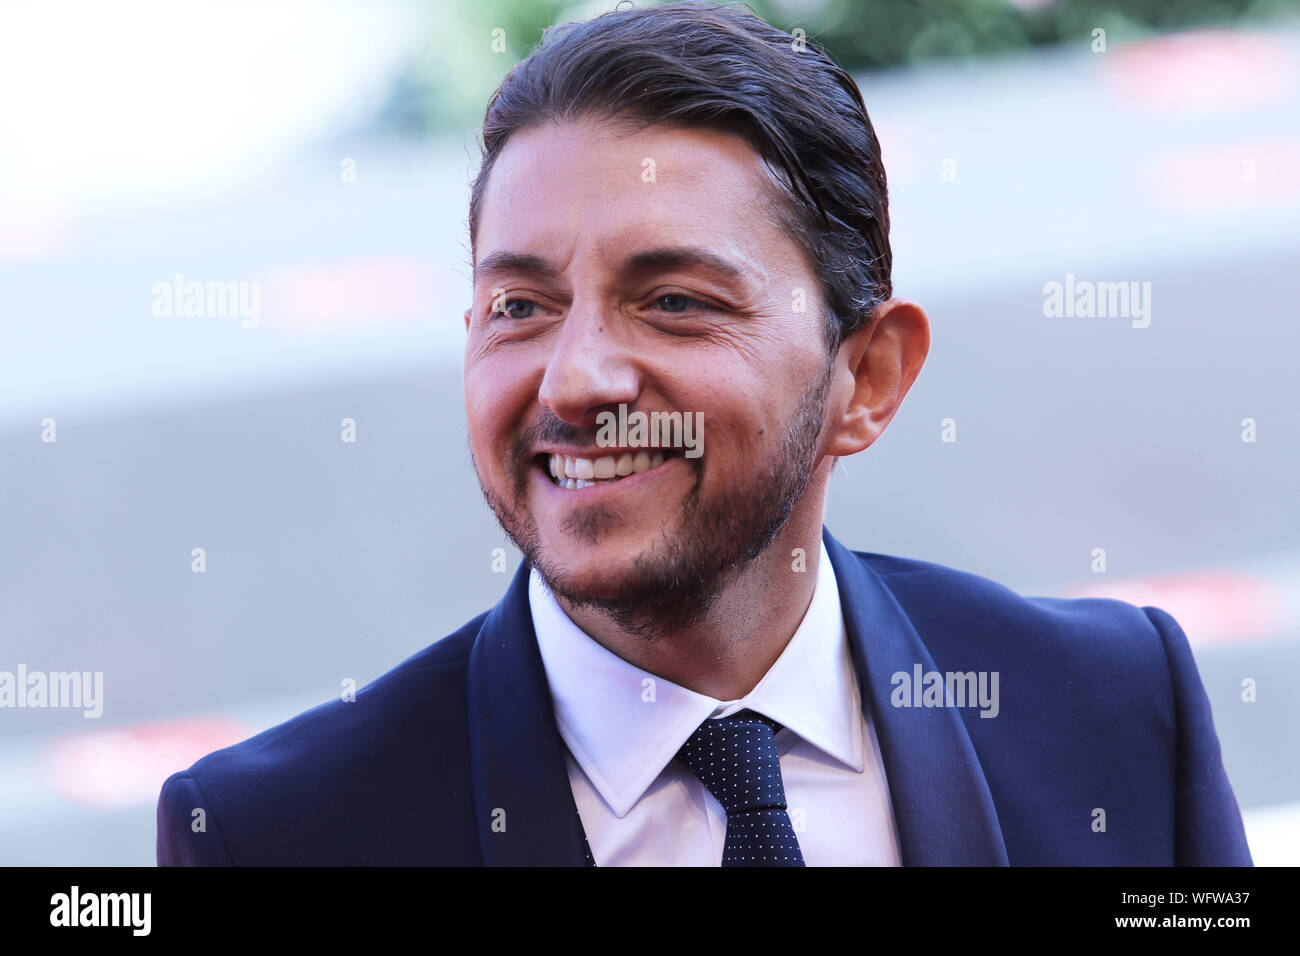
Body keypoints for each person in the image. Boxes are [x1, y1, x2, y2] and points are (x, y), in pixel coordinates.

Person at [157, 0, 1251, 866]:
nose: (575, 378)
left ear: (865, 376)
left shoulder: (1111, 704)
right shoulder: (274, 833)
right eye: (520, 307)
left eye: (674, 299)